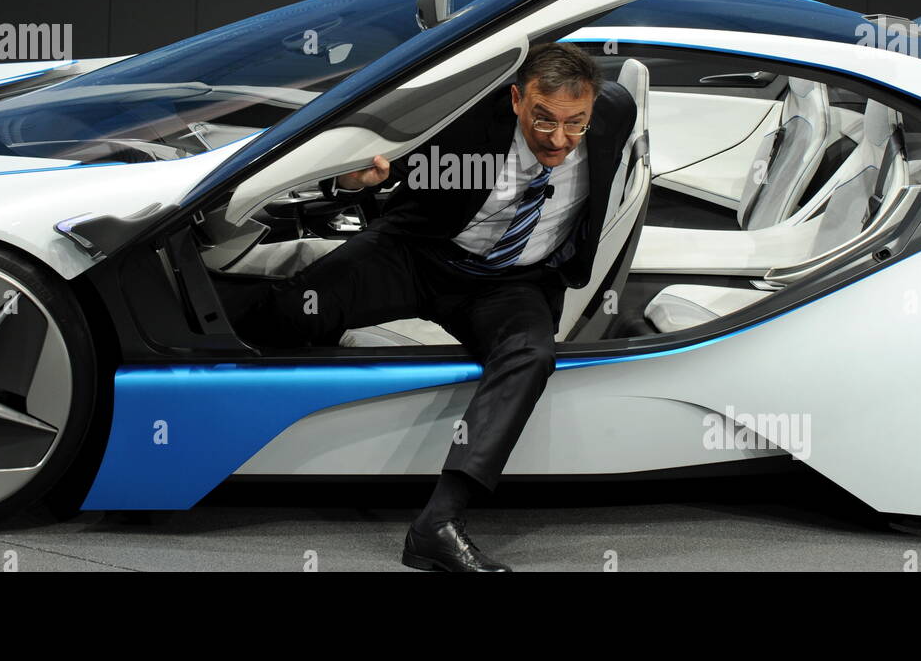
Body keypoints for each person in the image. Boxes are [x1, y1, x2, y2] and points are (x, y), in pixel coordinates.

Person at [234, 41, 636, 571]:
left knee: (531, 354)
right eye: (544, 121)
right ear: (517, 99)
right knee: (296, 310)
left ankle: (437, 525)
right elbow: (379, 147)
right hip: (418, 254)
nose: (559, 139)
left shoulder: (614, 112)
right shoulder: (463, 114)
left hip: (509, 283)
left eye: (574, 124)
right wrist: (353, 178)